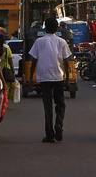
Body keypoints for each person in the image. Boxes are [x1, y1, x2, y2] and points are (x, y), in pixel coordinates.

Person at [29, 14, 71, 144]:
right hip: (58, 76)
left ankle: (49, 135)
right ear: (57, 28)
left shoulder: (39, 41)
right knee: (61, 104)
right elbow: (66, 61)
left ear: (45, 28)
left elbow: (34, 60)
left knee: (47, 107)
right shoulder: (62, 41)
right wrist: (68, 78)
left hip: (44, 77)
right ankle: (59, 125)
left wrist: (31, 77)